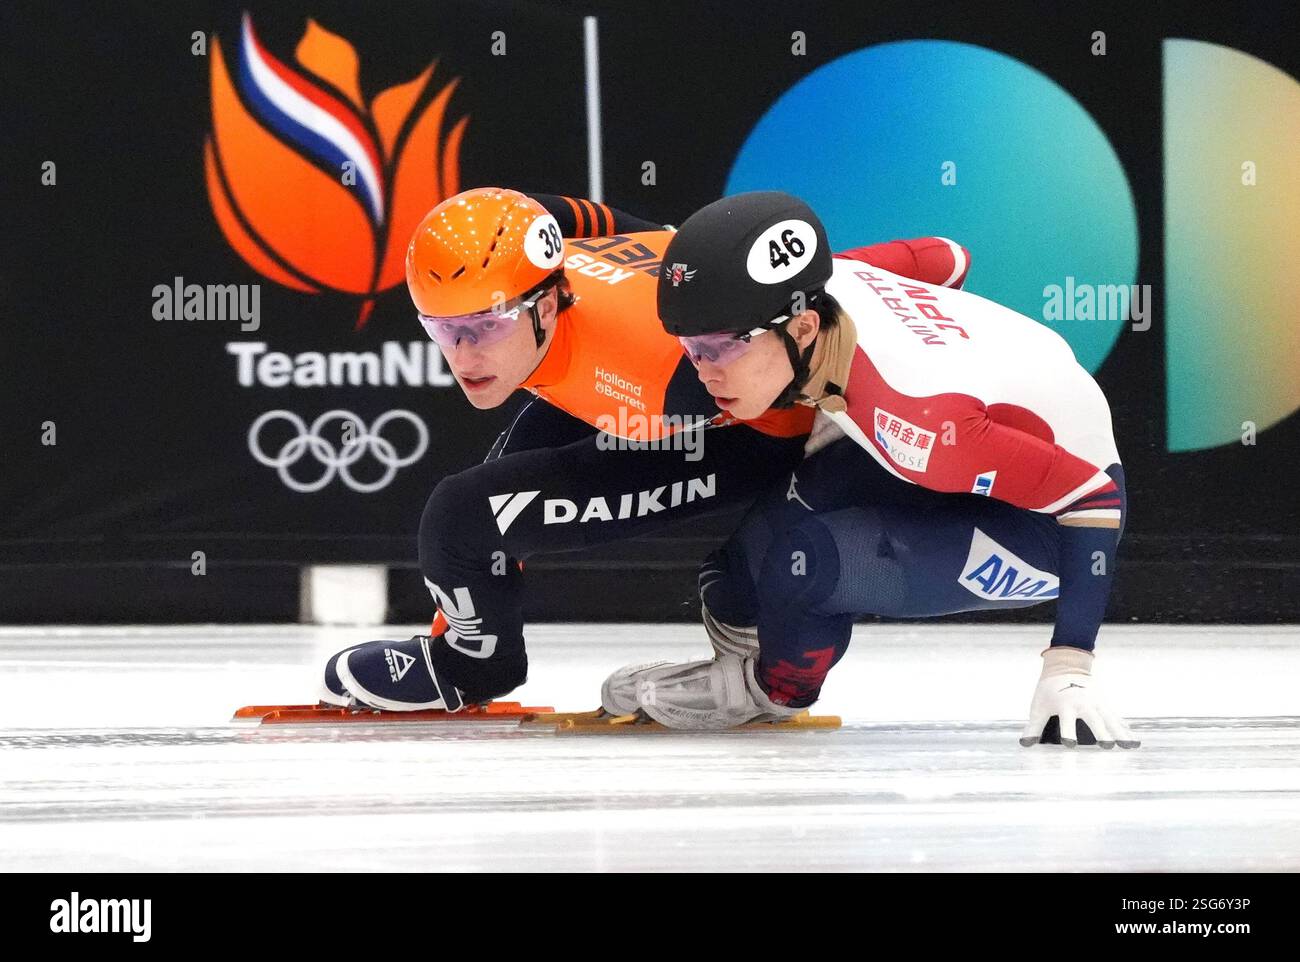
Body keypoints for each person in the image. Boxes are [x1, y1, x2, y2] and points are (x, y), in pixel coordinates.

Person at [319, 187, 970, 714]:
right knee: (482, 513)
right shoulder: (541, 244)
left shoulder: (667, 369)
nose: (462, 356)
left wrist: (921, 275)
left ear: (549, 300)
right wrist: (931, 258)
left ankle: (472, 665)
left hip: (746, 430)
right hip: (620, 370)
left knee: (461, 516)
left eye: (485, 326)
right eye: (442, 328)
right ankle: (467, 646)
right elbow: (563, 213)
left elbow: (817, 332)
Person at [601, 191, 1139, 748]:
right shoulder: (841, 278)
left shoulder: (924, 421)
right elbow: (947, 256)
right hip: (952, 438)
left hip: (1044, 522)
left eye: (721, 346)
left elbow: (1092, 498)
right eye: (690, 345)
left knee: (802, 560)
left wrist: (1068, 666)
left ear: (805, 329)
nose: (703, 370)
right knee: (736, 570)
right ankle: (756, 651)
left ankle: (771, 693)